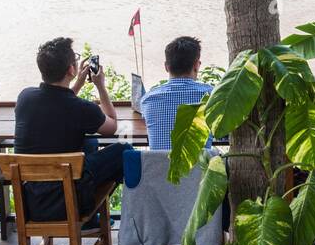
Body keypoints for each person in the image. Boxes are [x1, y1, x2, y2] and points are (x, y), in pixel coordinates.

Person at [13, 37, 131, 221]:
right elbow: (112, 126)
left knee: (89, 142)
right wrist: (101, 86)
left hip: (32, 202)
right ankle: (92, 214)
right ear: (71, 69)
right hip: (65, 203)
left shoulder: (25, 97)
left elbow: (57, 103)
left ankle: (91, 217)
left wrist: (77, 85)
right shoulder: (81, 108)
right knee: (124, 150)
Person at [139, 36, 216, 151]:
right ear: (196, 65)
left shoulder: (148, 99)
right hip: (199, 168)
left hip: (158, 167)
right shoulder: (211, 96)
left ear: (166, 66)